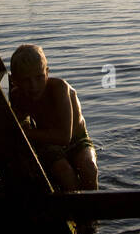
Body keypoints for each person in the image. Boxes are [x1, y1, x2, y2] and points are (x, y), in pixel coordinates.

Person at [8, 43, 98, 192]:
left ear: (47, 73)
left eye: (39, 77)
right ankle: (73, 209)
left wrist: (23, 133)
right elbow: (16, 123)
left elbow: (64, 137)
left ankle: (94, 209)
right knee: (63, 171)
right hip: (49, 143)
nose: (34, 85)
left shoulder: (59, 89)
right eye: (26, 80)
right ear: (16, 81)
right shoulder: (19, 96)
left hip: (77, 139)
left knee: (89, 167)